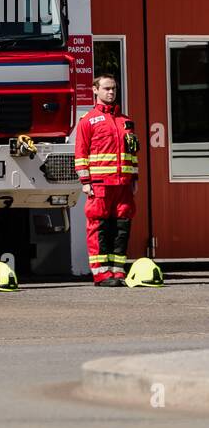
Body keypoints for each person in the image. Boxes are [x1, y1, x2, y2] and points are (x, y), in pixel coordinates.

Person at [75, 73, 140, 286]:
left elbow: (131, 154)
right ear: (95, 90)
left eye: (113, 88)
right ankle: (101, 274)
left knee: (121, 227)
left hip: (123, 185)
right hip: (100, 185)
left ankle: (117, 271)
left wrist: (134, 177)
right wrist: (85, 182)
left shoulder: (126, 121)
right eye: (106, 88)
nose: (110, 92)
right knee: (98, 227)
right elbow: (81, 153)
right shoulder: (88, 121)